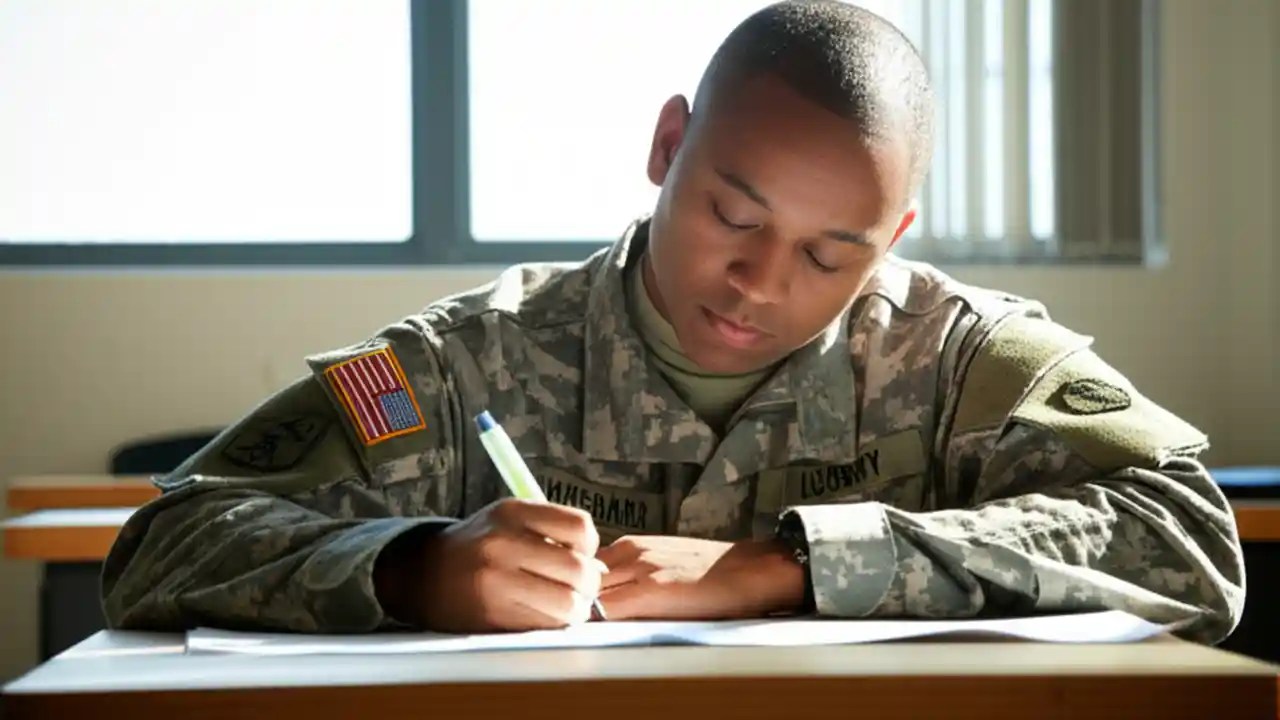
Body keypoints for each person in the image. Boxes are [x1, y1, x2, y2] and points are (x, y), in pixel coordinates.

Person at [100, 0, 1244, 643]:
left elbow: (1189, 535)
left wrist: (790, 569)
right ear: (664, 149)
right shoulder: (470, 358)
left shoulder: (958, 359)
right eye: (729, 215)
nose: (757, 280)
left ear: (891, 236)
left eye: (827, 252)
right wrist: (411, 572)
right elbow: (163, 544)